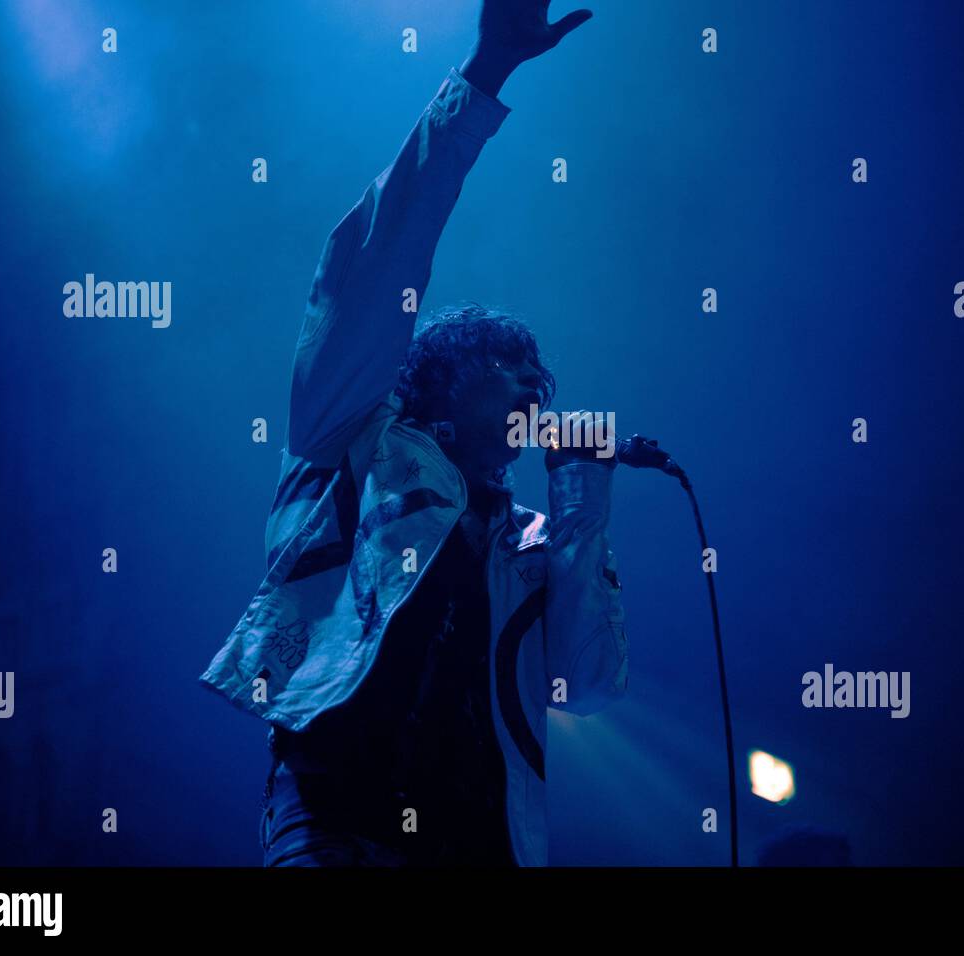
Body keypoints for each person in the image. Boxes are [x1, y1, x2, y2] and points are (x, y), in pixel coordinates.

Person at [198, 0, 629, 867]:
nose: (533, 400)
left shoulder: (530, 540)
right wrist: (483, 79)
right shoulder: (347, 438)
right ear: (443, 378)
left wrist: (582, 504)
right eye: (512, 376)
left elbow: (581, 687)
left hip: (472, 842)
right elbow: (375, 257)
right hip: (334, 815)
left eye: (541, 387)